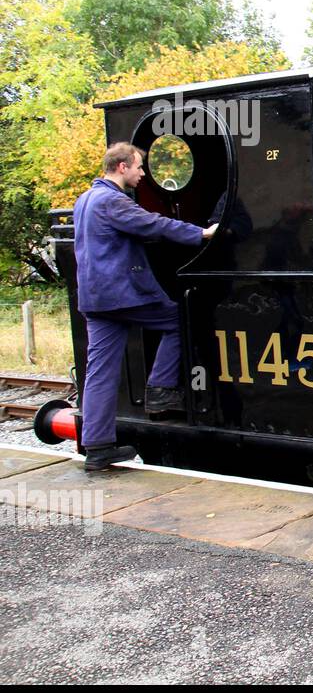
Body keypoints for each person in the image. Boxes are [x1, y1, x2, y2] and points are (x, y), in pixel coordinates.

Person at [72, 142, 217, 471]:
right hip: (121, 294)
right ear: (122, 167)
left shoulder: (84, 200)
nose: (142, 174)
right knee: (179, 319)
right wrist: (201, 233)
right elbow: (154, 224)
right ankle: (161, 389)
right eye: (139, 167)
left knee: (99, 372)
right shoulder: (112, 201)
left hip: (95, 299)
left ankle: (97, 447)